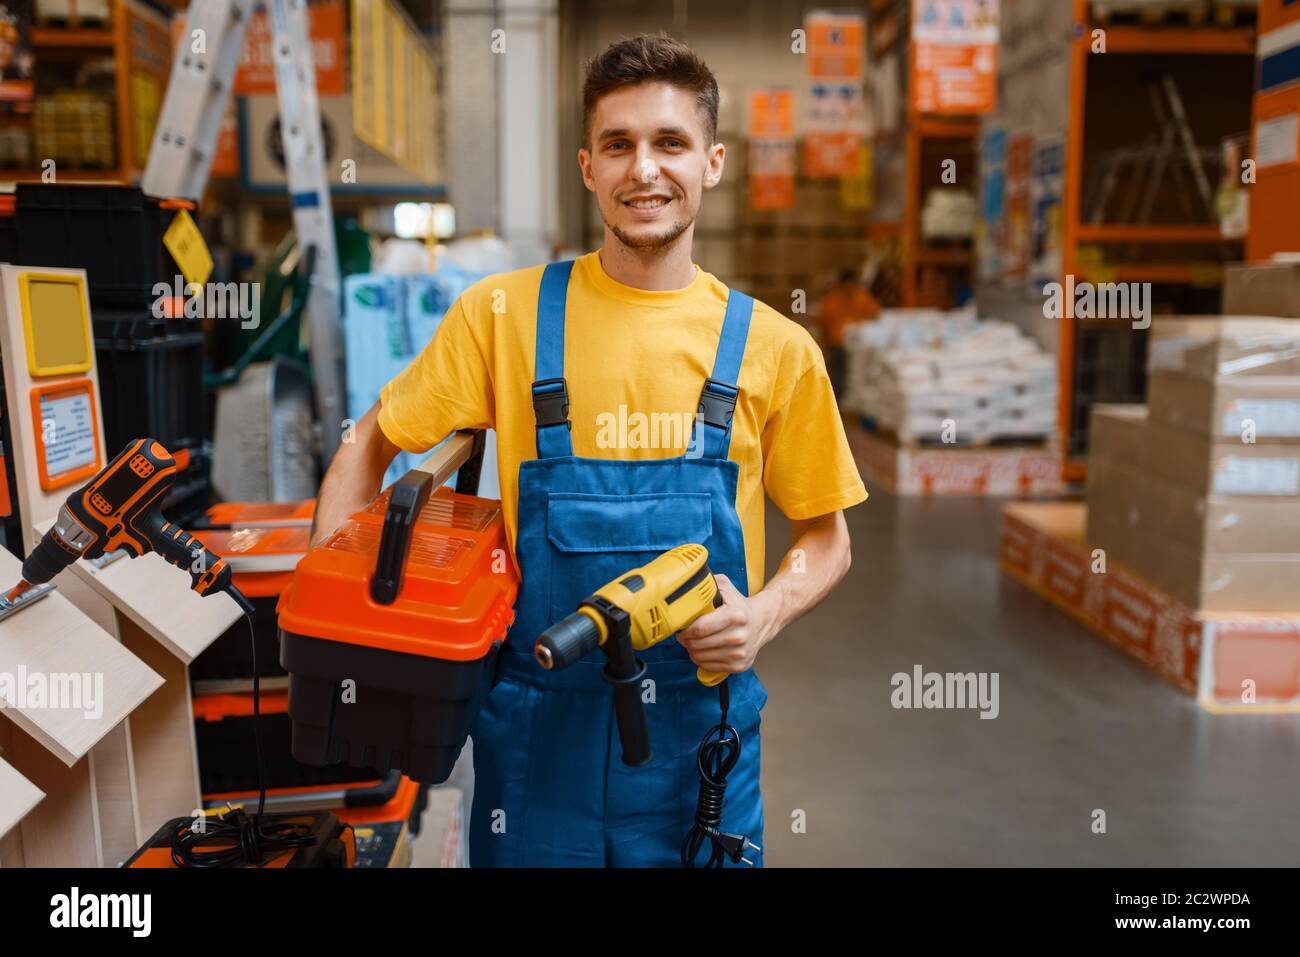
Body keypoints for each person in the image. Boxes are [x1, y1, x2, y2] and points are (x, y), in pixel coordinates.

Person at [312, 32, 867, 867]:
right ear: (588, 167)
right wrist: (336, 635)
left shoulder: (775, 349)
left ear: (712, 162)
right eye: (620, 145)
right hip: (538, 741)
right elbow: (370, 441)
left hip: (702, 739)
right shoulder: (503, 316)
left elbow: (827, 537)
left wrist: (764, 613)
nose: (645, 169)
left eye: (670, 143)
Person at [816, 267, 879, 401]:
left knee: (860, 377)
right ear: (840, 286)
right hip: (838, 346)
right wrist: (823, 347)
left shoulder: (865, 300)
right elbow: (823, 326)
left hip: (860, 347)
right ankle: (839, 404)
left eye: (852, 285)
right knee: (839, 378)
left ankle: (852, 403)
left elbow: (875, 321)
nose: (849, 289)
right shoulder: (830, 302)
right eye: (846, 286)